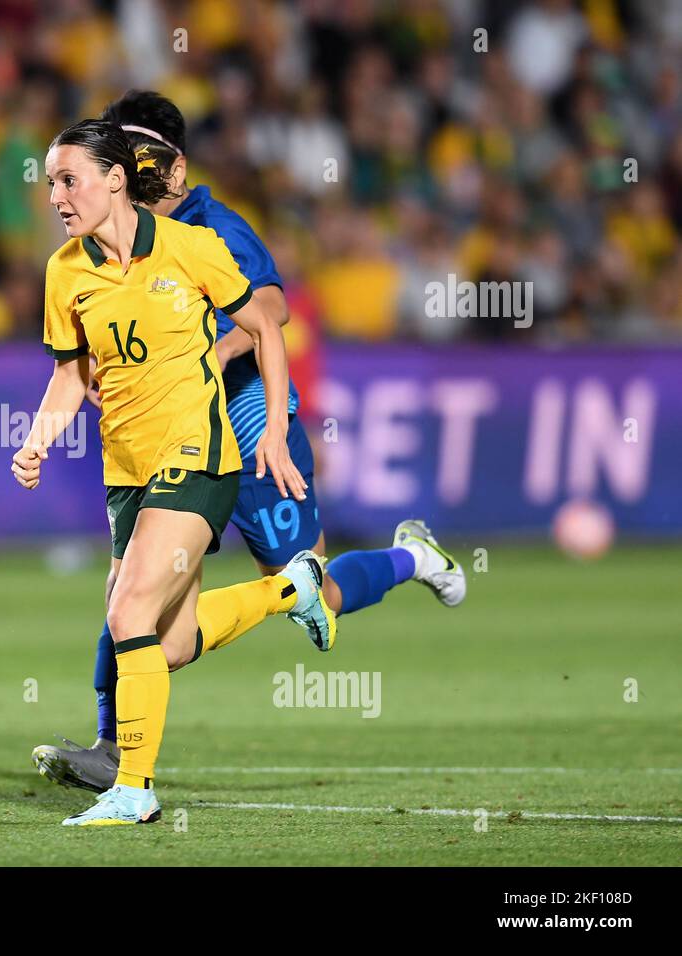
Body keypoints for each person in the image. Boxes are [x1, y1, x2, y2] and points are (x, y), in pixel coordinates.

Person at [31, 91, 467, 795]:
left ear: (175, 170)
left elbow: (270, 315)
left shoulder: (215, 229)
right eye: (123, 158)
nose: (134, 173)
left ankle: (412, 556)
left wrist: (234, 385)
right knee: (132, 602)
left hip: (244, 424)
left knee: (316, 594)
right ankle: (115, 749)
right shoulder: (92, 254)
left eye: (146, 161)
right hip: (165, 444)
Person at [12, 119, 336, 826]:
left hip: (198, 458)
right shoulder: (65, 271)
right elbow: (71, 376)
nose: (57, 197)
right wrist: (37, 440)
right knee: (170, 643)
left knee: (126, 611)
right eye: (50, 185)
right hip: (125, 473)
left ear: (116, 179)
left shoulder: (192, 247)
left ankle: (133, 788)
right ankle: (291, 587)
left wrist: (275, 431)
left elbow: (266, 325)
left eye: (70, 180)